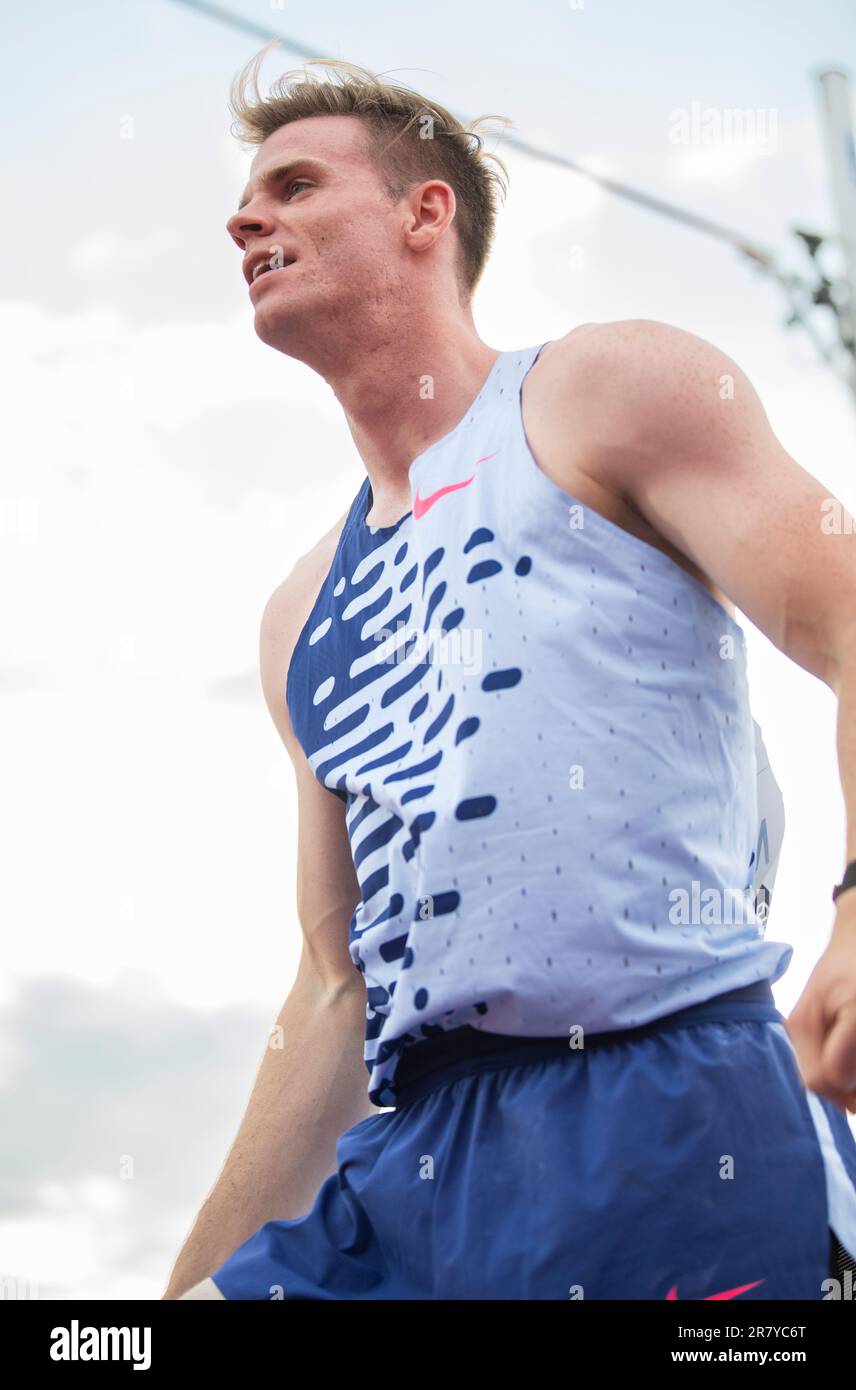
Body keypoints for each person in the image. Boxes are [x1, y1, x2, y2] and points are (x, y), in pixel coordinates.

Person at [164, 50, 856, 1301]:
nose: (245, 216)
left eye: (297, 183)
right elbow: (336, 989)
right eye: (248, 196)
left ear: (426, 213)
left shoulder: (600, 392)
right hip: (421, 1160)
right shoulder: (297, 613)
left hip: (671, 1109)